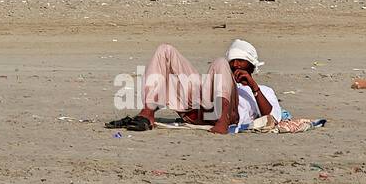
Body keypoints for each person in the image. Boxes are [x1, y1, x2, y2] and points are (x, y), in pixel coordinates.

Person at [106, 39, 282, 135]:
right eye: (233, 61)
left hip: (229, 114)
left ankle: (221, 121)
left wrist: (253, 86)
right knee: (165, 50)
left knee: (219, 62)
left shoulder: (263, 90)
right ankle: (147, 114)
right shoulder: (221, 73)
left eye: (241, 61)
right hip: (202, 104)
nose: (235, 64)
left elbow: (272, 117)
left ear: (251, 66)